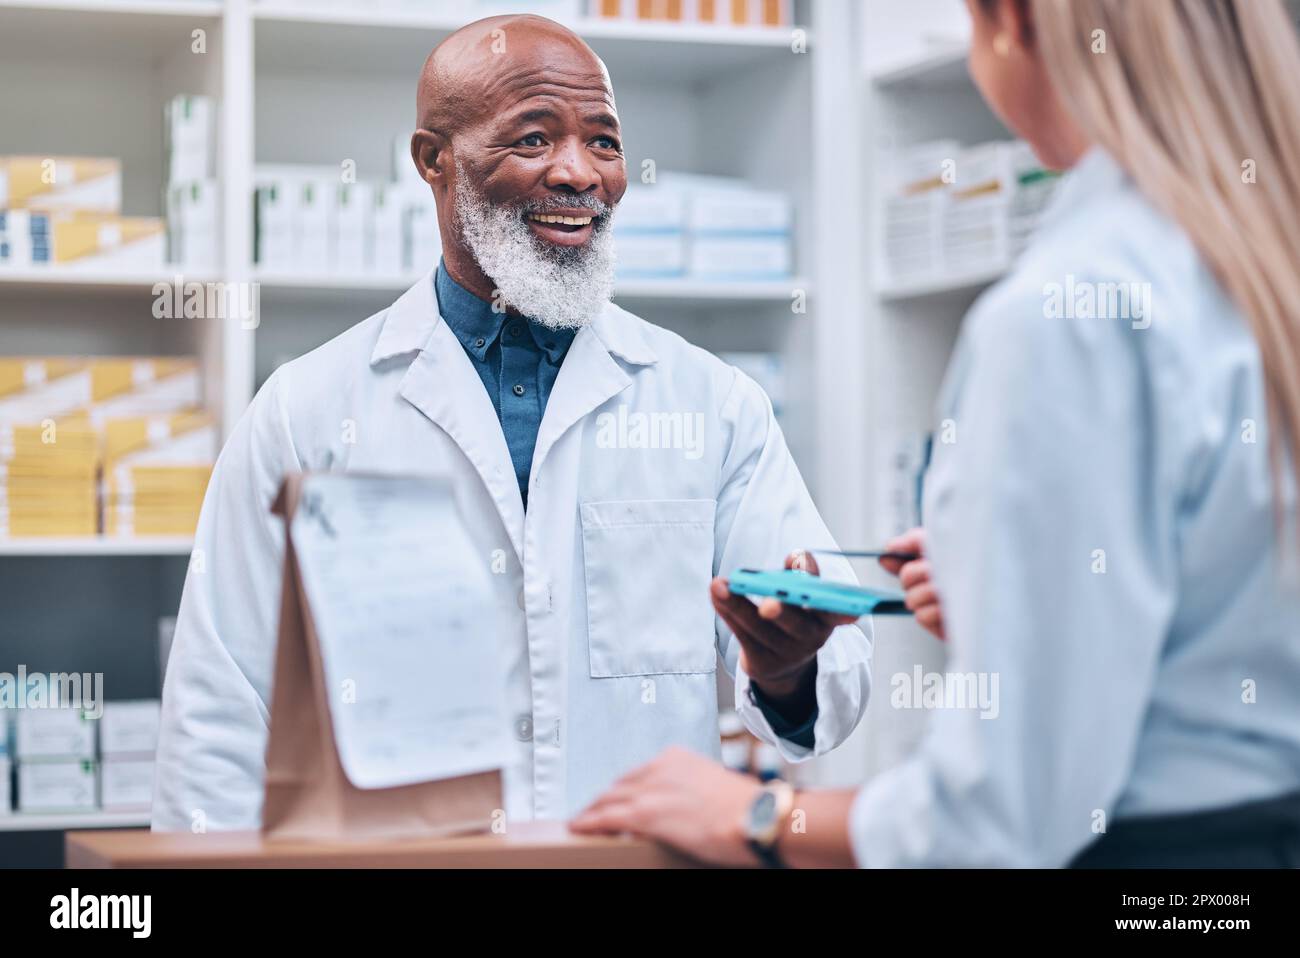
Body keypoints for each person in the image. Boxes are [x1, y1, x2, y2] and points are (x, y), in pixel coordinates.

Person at [572, 0, 1300, 867]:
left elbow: (995, 821)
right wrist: (1024, 603)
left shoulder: (1066, 313)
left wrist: (754, 815)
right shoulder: (1255, 263)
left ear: (1013, 22)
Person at [151, 15, 872, 830]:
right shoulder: (307, 410)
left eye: (603, 142)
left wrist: (786, 672)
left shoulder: (711, 404)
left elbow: (837, 667)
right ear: (434, 162)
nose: (578, 174)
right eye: (533, 138)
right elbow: (219, 710)